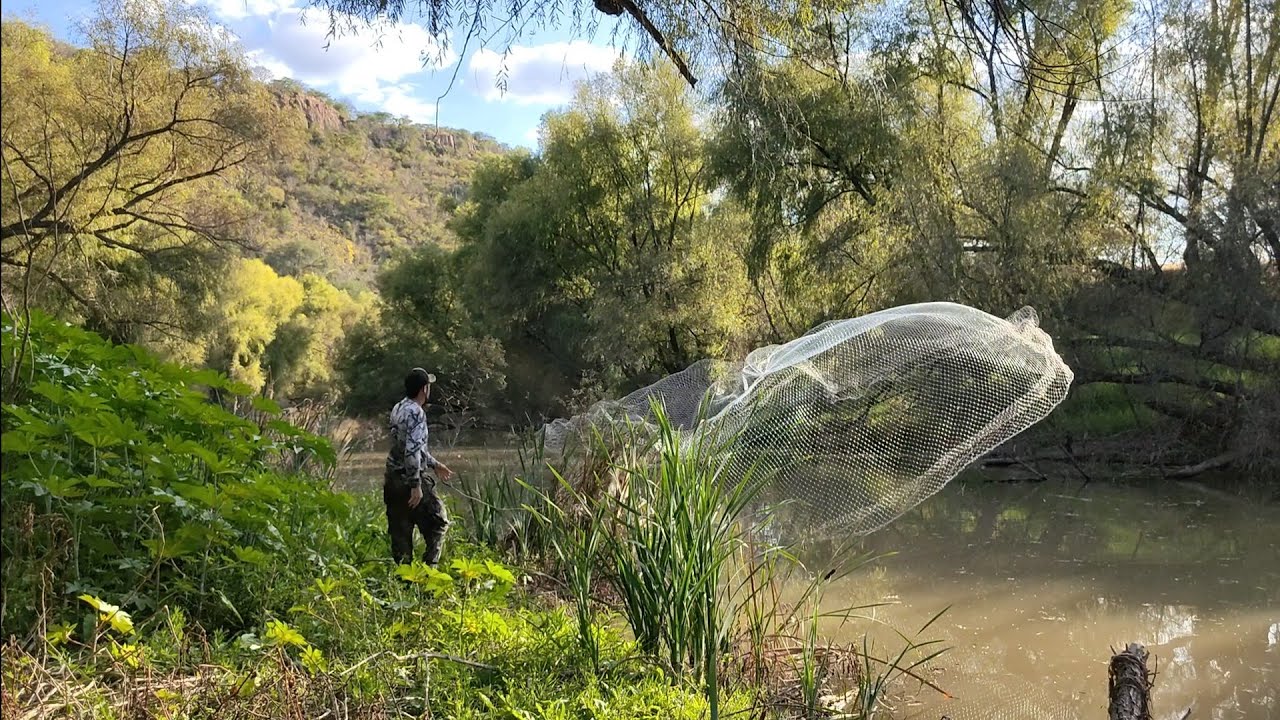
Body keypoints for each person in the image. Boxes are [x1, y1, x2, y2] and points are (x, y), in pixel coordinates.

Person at [384, 367, 454, 565]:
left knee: (400, 531)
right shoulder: (417, 413)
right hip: (409, 479)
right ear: (424, 389)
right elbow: (411, 452)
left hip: (392, 478)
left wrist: (435, 464)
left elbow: (409, 446)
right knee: (439, 523)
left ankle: (404, 581)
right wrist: (416, 486)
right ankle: (429, 570)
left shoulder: (399, 408)